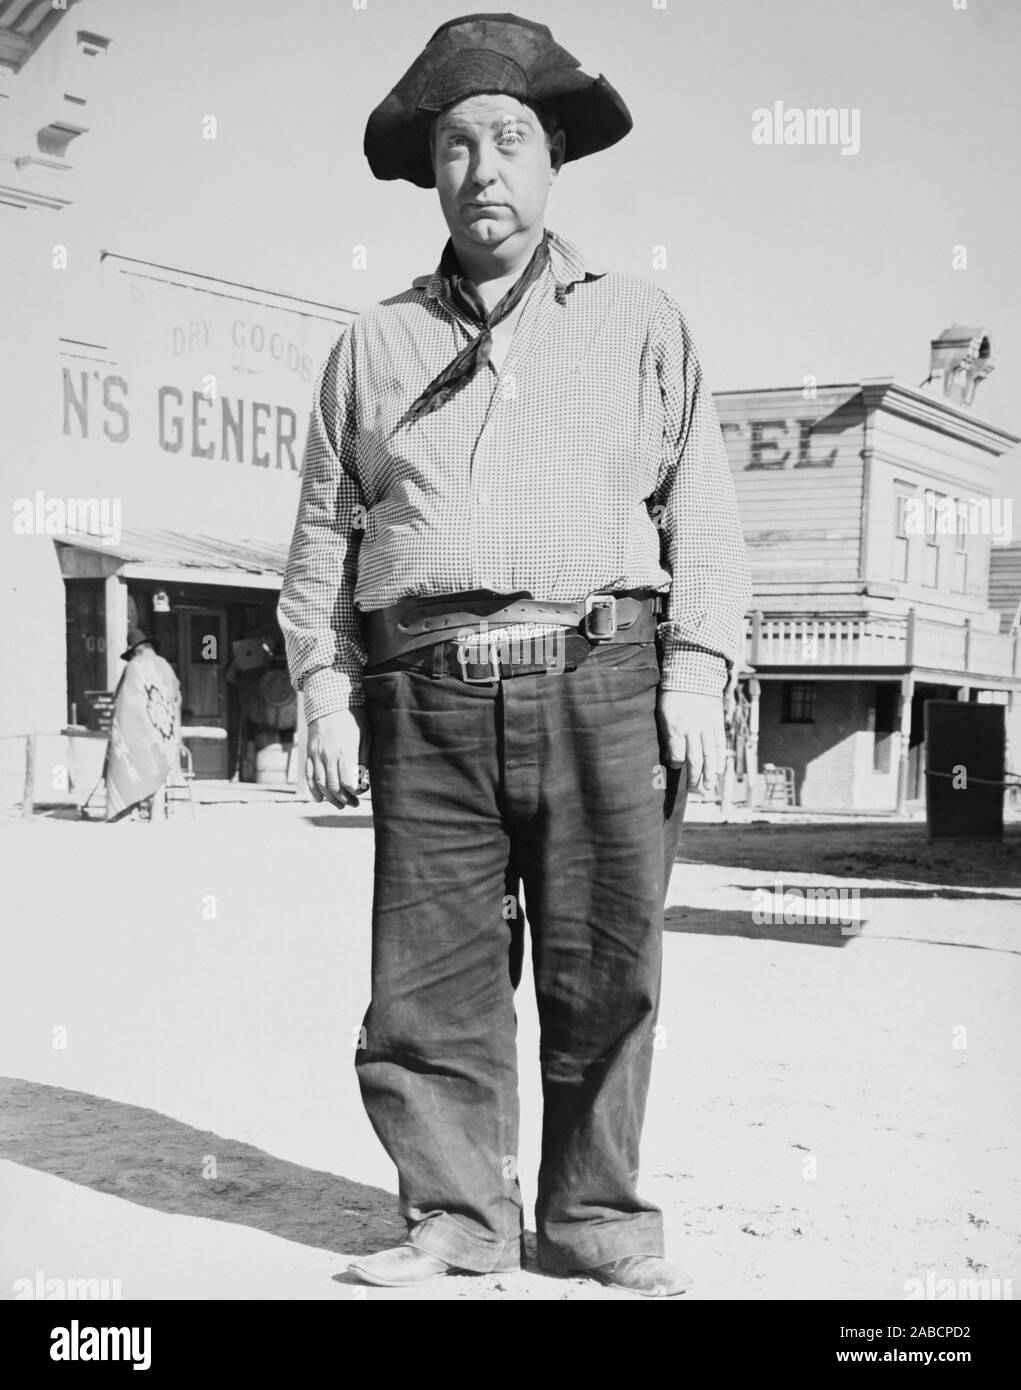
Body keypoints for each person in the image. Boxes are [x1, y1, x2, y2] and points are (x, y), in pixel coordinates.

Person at [279, 12, 752, 1296]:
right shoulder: (368, 347)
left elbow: (699, 509)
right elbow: (325, 532)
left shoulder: (641, 321)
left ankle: (595, 1223)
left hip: (602, 674)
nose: (480, 170)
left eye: (507, 140)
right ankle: (456, 1223)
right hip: (420, 694)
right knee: (427, 985)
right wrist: (324, 692)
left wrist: (697, 672)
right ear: (428, 171)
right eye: (453, 146)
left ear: (553, 161)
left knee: (604, 970)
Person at [104, 628, 182, 822]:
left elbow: (120, 700)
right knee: (158, 761)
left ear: (135, 651)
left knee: (129, 757)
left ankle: (128, 810)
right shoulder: (164, 665)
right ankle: (156, 813)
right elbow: (174, 695)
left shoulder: (133, 667)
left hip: (137, 736)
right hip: (162, 735)